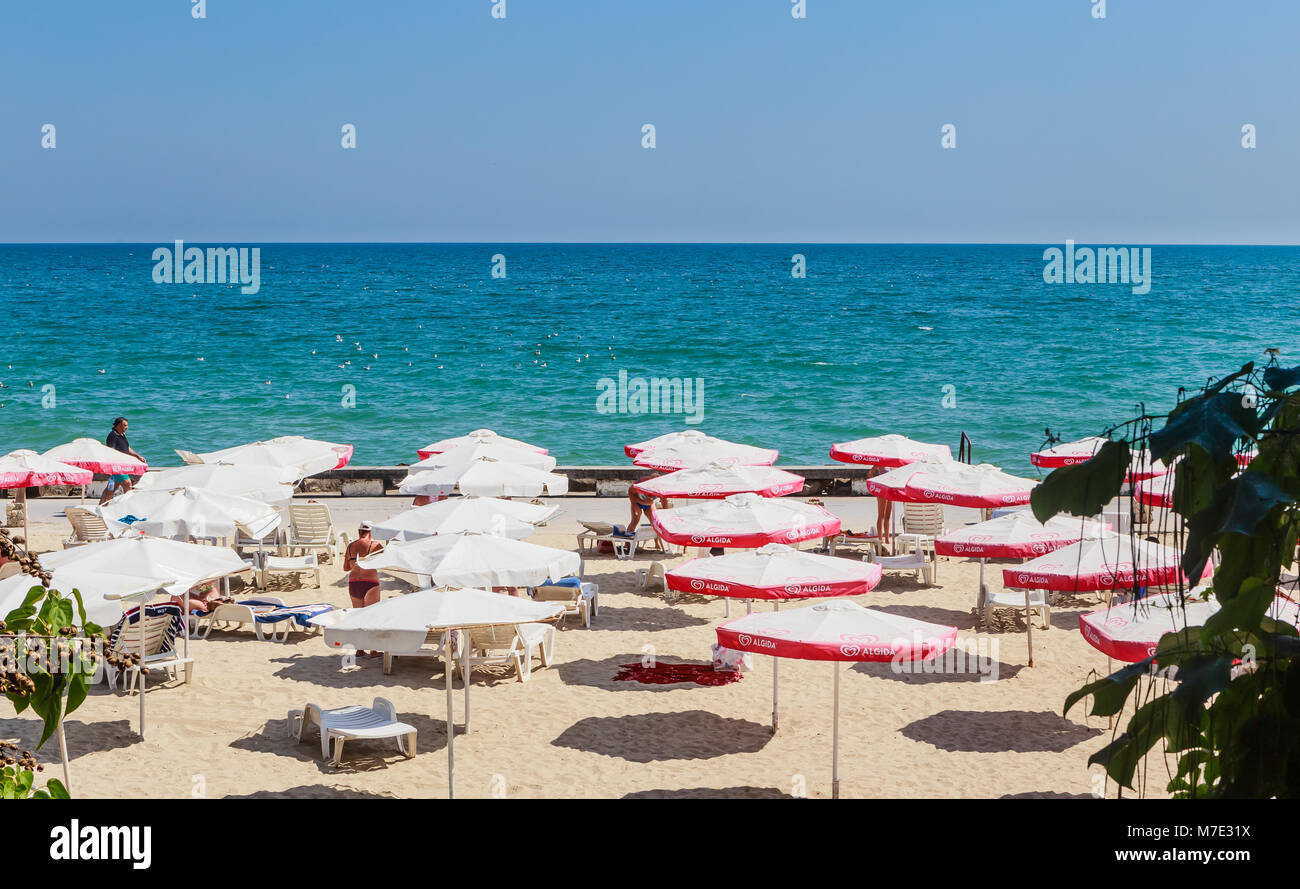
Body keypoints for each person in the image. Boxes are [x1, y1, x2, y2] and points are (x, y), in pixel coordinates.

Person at [343, 521, 384, 657]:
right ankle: (373, 650)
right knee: (372, 616)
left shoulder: (350, 546)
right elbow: (388, 560)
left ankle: (359, 649)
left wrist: (355, 562)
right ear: (371, 532)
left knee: (358, 616)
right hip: (370, 583)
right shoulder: (375, 545)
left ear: (359, 532)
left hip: (354, 583)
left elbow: (346, 568)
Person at [100, 417, 145, 505]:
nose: (127, 427)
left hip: (122, 465)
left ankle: (101, 506)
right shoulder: (113, 435)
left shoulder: (121, 435)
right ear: (119, 425)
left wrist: (137, 456)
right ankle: (128, 506)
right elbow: (110, 451)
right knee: (127, 484)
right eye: (125, 425)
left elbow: (127, 448)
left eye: (127, 425)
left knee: (111, 489)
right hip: (117, 465)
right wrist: (111, 466)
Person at [869, 465, 893, 548]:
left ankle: (887, 538)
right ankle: (880, 537)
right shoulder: (880, 462)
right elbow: (870, 473)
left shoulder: (891, 462)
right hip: (882, 489)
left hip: (890, 489)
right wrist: (876, 484)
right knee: (881, 515)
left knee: (888, 516)